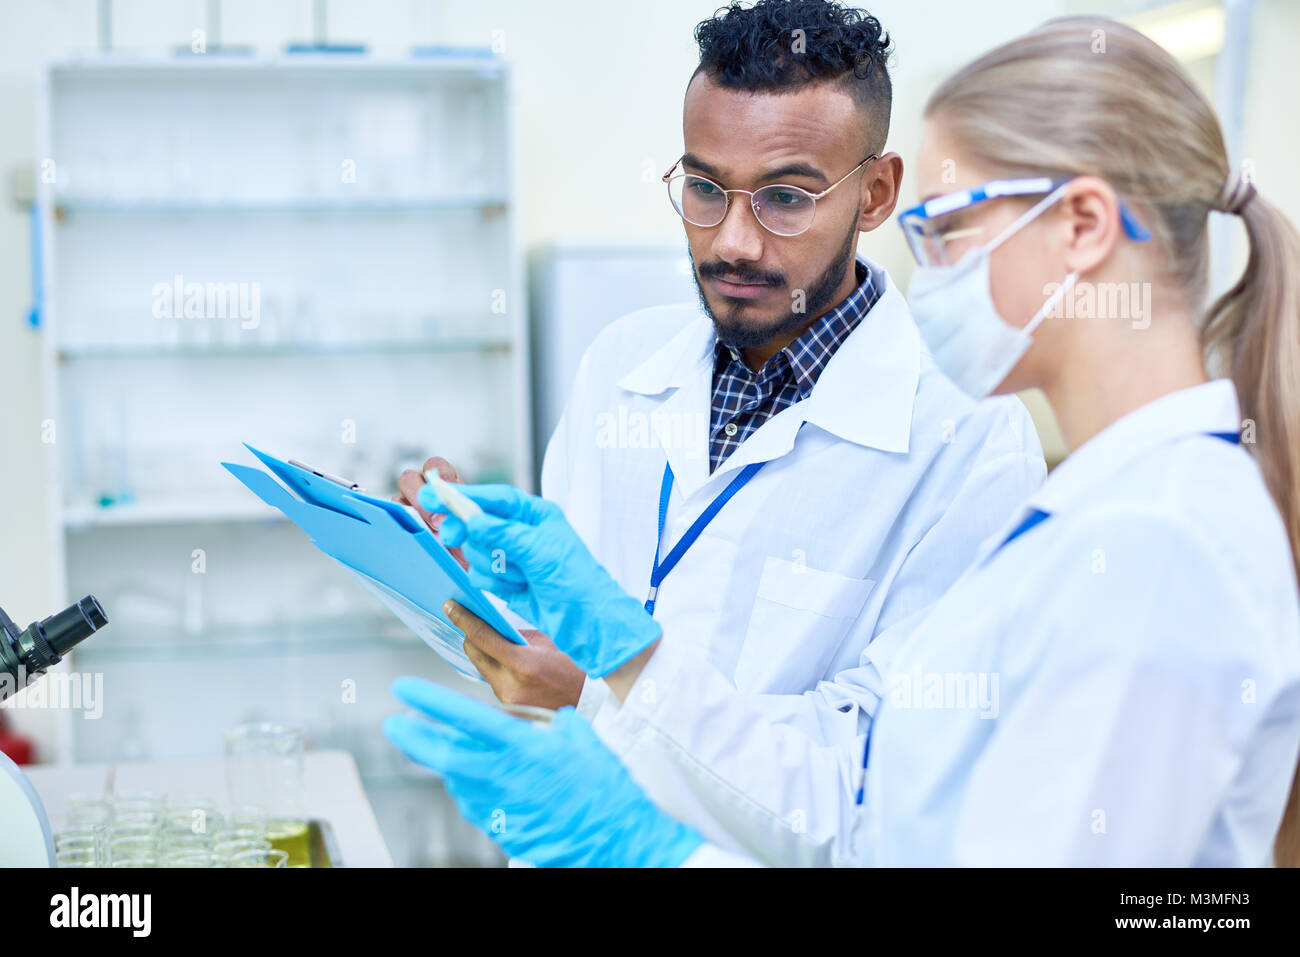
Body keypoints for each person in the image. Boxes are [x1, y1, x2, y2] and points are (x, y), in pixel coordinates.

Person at [386, 14, 1300, 868]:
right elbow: (882, 806)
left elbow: (875, 806)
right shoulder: (1109, 514)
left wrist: (651, 844)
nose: (931, 274)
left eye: (946, 233)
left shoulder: (1154, 543)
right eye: (705, 187)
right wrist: (577, 640)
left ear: (1084, 227)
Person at [394, 0, 1044, 855]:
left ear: (877, 192)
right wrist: (467, 572)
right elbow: (550, 635)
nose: (732, 240)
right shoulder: (621, 364)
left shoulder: (972, 451)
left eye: (785, 196)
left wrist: (593, 697)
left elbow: (876, 787)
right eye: (704, 187)